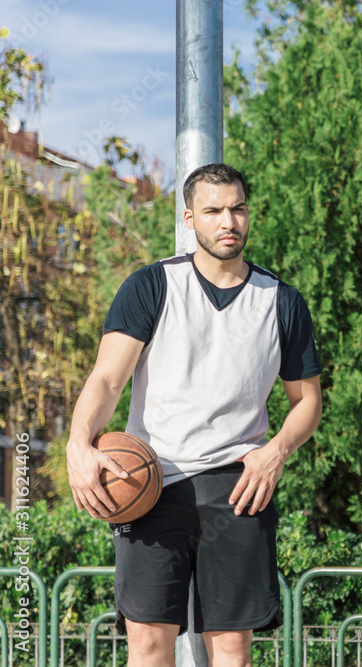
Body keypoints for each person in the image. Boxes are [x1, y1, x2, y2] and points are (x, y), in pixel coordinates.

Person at [66, 163, 322, 667]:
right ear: (190, 218)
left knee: (230, 646)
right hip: (152, 481)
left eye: (238, 208)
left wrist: (276, 453)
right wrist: (79, 443)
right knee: (146, 641)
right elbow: (106, 379)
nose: (229, 221)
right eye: (214, 211)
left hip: (239, 484)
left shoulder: (282, 302)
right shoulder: (150, 285)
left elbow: (307, 401)